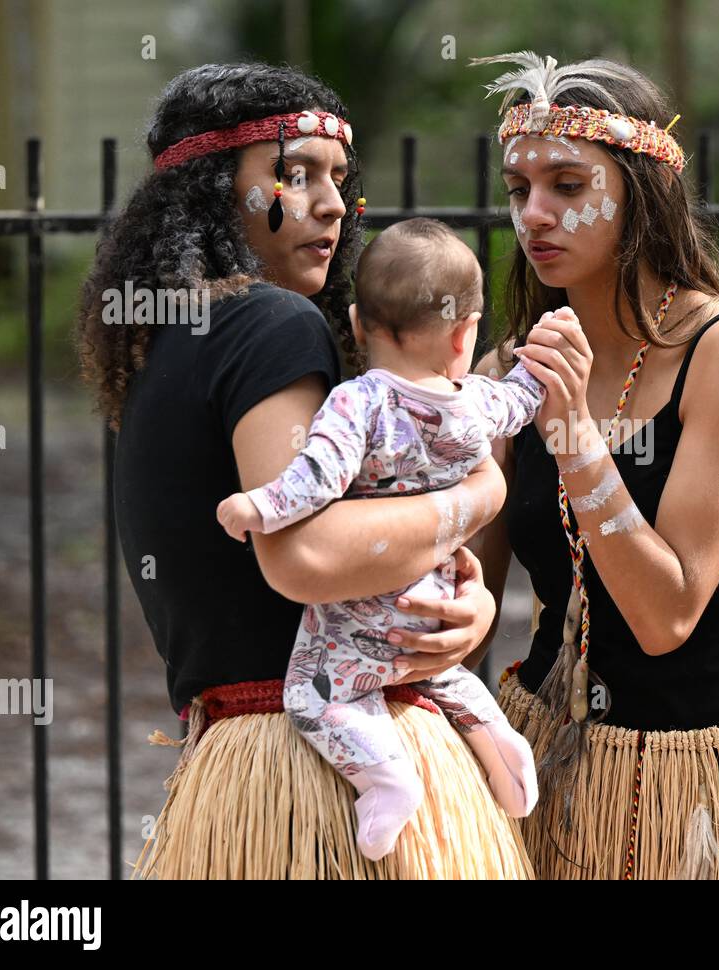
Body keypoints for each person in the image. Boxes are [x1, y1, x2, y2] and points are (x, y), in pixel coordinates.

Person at [77, 63, 531, 878]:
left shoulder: (167, 347)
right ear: (214, 190)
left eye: (337, 180)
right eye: (293, 174)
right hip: (321, 769)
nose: (330, 203)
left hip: (237, 775)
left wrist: (466, 605)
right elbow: (309, 558)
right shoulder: (269, 325)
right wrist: (479, 492)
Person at [464, 51, 719, 879]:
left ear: (641, 194)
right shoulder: (509, 371)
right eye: (519, 191)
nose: (534, 214)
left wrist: (578, 438)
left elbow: (668, 615)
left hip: (698, 781)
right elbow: (465, 599)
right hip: (538, 760)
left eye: (569, 187)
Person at [215, 218, 545, 859]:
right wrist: (539, 357)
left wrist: (259, 506)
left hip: (360, 614)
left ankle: (385, 777)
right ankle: (500, 741)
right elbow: (522, 400)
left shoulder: (356, 401)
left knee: (316, 698)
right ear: (463, 334)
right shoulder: (474, 401)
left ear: (359, 322)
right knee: (445, 681)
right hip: (435, 604)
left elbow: (313, 479)